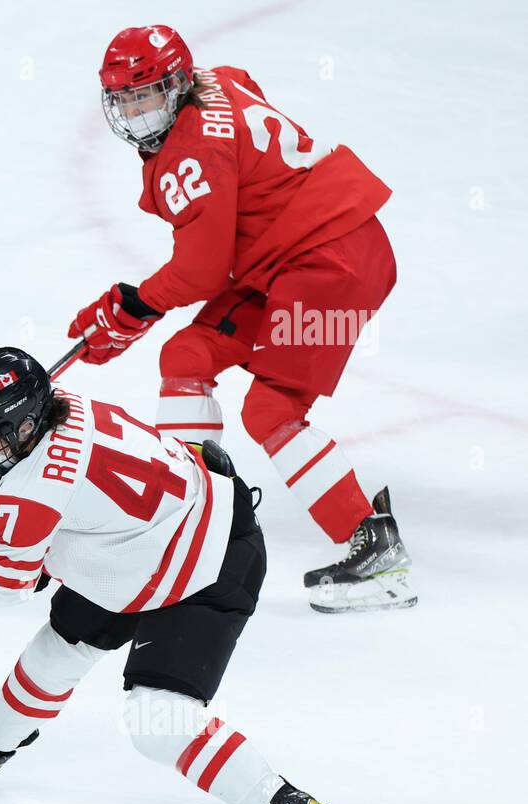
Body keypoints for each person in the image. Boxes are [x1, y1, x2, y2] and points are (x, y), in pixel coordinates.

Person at [0, 347, 373, 804]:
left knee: (155, 719)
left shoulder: (29, 493)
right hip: (141, 546)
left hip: (208, 562)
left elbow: (2, 584)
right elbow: (94, 490)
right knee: (57, 651)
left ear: (27, 422)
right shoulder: (67, 404)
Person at [67, 25, 414, 613]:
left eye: (146, 96)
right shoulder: (215, 80)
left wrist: (130, 308)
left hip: (330, 264)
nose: (136, 113)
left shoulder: (190, 156)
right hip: (296, 254)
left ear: (175, 86)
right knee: (187, 356)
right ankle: (188, 523)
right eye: (124, 100)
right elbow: (246, 108)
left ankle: (376, 551)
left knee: (272, 409)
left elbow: (202, 273)